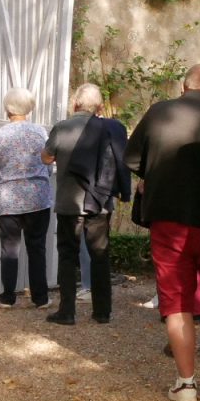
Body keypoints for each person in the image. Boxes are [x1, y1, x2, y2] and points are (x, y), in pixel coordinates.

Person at [125, 64, 200, 401]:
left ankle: (185, 383)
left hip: (170, 220)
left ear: (183, 86)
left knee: (176, 303)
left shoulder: (160, 112)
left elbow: (132, 160)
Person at [43, 83, 130, 325]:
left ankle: (67, 311)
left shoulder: (62, 127)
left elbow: (46, 156)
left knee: (67, 257)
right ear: (100, 107)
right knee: (100, 255)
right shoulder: (110, 129)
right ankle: (102, 312)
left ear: (75, 104)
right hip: (100, 203)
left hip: (69, 204)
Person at [0, 88, 52, 309]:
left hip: (7, 198)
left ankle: (7, 297)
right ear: (30, 108)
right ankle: (40, 298)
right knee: (37, 248)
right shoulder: (40, 132)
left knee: (9, 248)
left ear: (7, 108)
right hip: (37, 196)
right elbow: (48, 162)